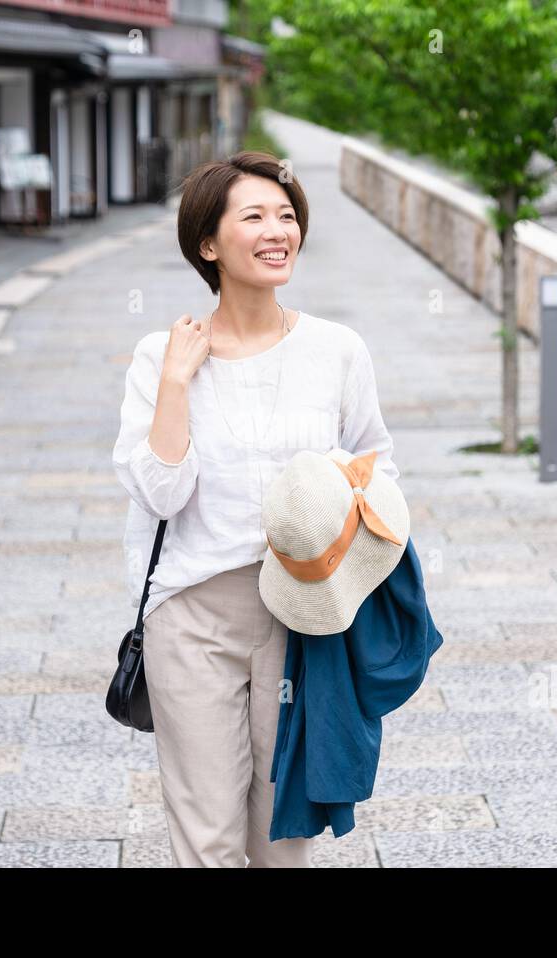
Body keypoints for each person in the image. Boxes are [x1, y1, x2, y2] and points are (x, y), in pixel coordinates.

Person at [111, 150, 399, 867]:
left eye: (288, 215)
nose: (279, 231)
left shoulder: (336, 349)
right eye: (256, 217)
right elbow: (162, 492)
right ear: (208, 244)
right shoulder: (160, 356)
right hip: (193, 615)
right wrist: (178, 382)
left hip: (305, 613)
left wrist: (346, 529)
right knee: (206, 838)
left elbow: (378, 463)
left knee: (283, 835)